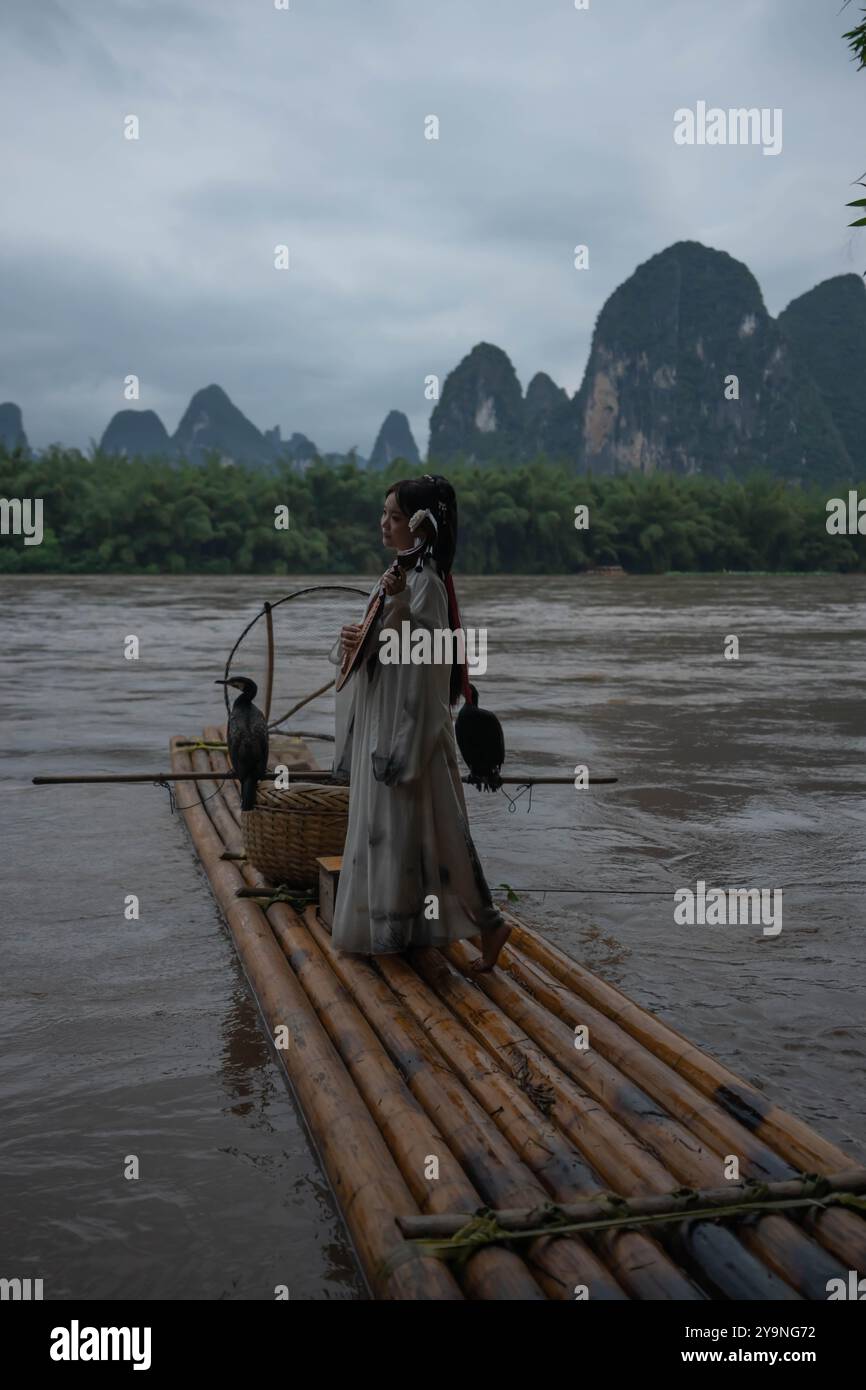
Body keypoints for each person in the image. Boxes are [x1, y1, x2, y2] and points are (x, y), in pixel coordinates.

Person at [326, 473, 511, 970]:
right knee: (399, 834)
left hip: (411, 732)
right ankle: (407, 931)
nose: (385, 523)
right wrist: (349, 644)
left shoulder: (424, 584)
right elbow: (374, 652)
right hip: (385, 726)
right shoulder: (394, 576)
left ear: (421, 524)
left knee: (436, 834)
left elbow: (427, 667)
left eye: (396, 516)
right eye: (384, 514)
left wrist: (400, 611)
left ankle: (486, 925)